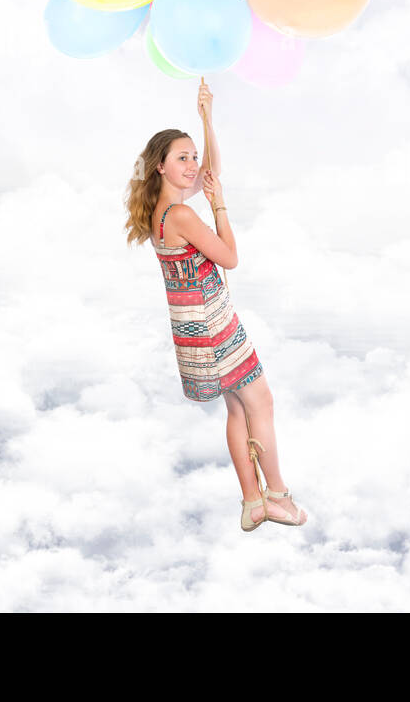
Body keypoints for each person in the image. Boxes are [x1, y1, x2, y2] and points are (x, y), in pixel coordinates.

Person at [122, 78, 308, 532]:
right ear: (161, 168)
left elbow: (209, 173)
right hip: (215, 328)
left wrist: (206, 118)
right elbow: (230, 257)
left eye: (192, 156)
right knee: (260, 400)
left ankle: (252, 502)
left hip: (195, 333)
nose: (193, 164)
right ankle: (278, 497)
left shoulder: (159, 212)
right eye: (181, 158)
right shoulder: (183, 215)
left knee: (239, 409)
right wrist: (220, 206)